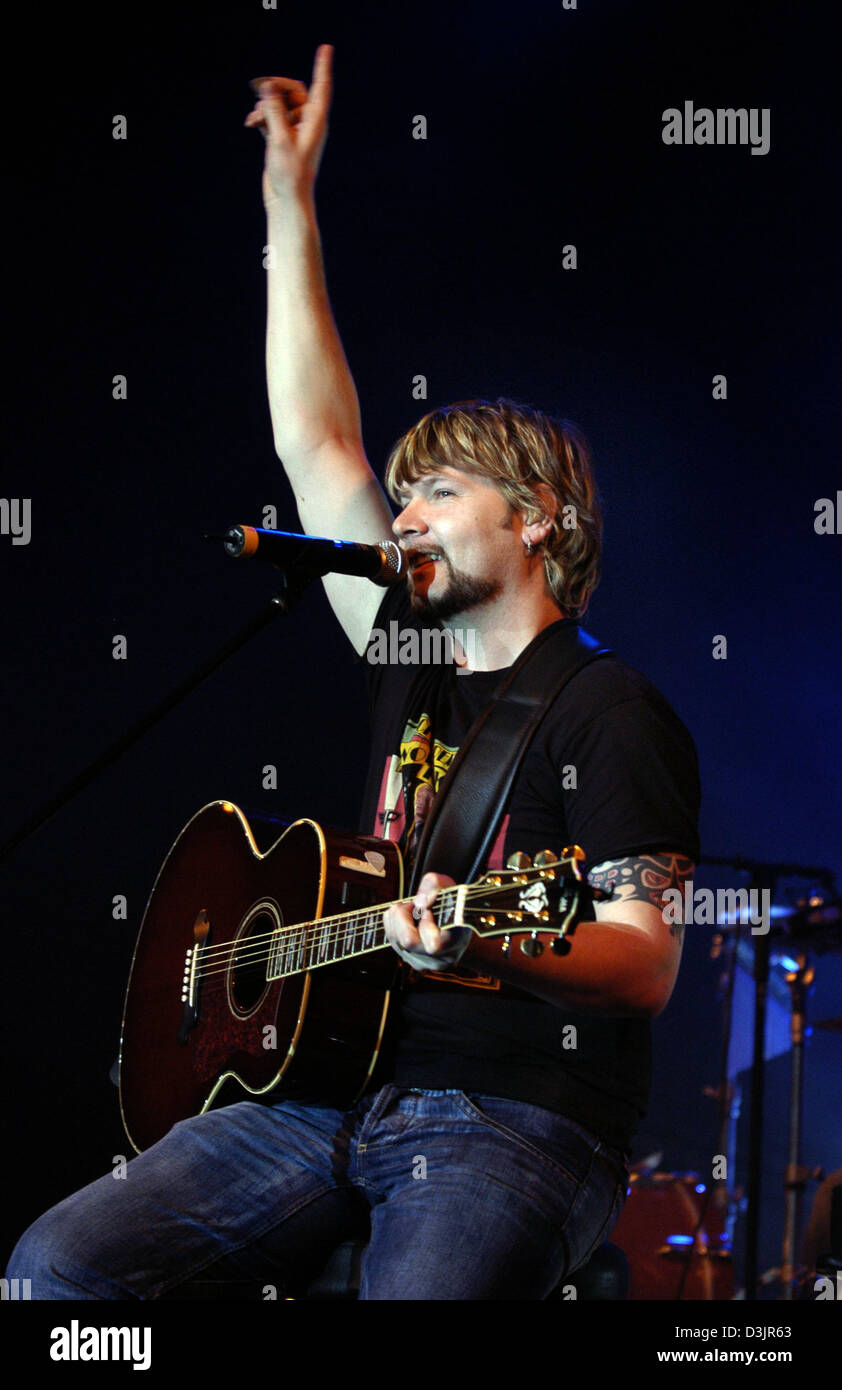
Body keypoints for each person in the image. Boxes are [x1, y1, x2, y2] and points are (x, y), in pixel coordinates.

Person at [5, 44, 699, 1301]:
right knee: (55, 1270)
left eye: (439, 488)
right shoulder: (406, 649)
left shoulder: (610, 708)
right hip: (321, 1092)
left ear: (539, 518)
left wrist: (498, 949)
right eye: (406, 491)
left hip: (510, 1110)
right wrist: (288, 196)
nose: (407, 513)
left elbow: (644, 954)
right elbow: (312, 436)